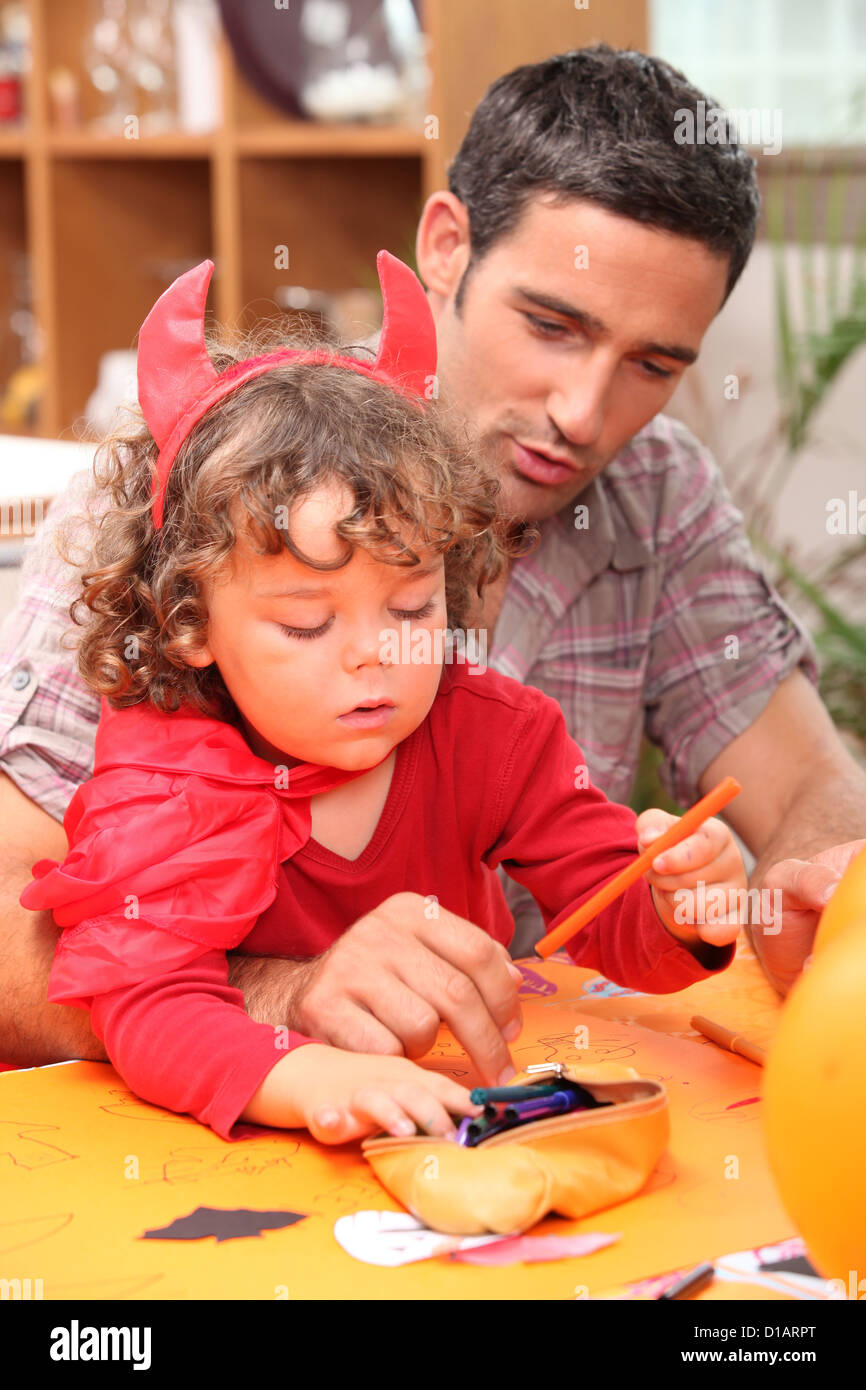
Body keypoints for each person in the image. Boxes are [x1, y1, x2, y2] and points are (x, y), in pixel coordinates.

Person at [2, 46, 863, 1077]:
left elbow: (805, 782)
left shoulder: (656, 490)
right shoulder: (193, 480)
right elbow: (13, 944)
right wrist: (287, 997)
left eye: (650, 365)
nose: (582, 414)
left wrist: (798, 882)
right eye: (550, 325)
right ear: (445, 246)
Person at [18, 254, 746, 1141]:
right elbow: (147, 1001)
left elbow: (610, 917)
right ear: (190, 622)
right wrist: (306, 1076)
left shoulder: (492, 734)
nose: (377, 657)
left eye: (412, 606)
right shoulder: (165, 777)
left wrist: (682, 905)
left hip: (459, 1149)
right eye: (305, 626)